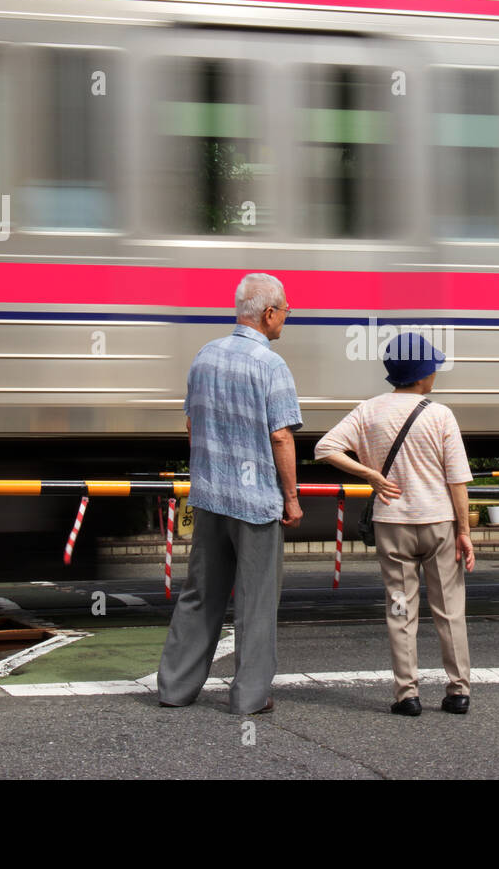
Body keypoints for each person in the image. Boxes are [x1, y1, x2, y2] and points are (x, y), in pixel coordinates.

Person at [157, 272, 303, 715]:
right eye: (286, 310)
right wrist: (291, 498)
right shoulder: (271, 364)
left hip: (209, 497)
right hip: (256, 504)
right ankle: (248, 697)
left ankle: (175, 688)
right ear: (270, 313)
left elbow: (190, 424)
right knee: (256, 602)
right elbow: (280, 436)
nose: (288, 317)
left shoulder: (205, 356)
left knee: (200, 592)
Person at [315, 332, 475, 717]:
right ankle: (458, 693)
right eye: (432, 367)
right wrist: (465, 532)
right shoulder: (440, 414)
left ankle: (408, 695)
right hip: (438, 522)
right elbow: (457, 480)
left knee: (401, 609)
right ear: (422, 375)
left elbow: (325, 448)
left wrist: (369, 473)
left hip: (392, 525)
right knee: (449, 610)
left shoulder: (368, 411)